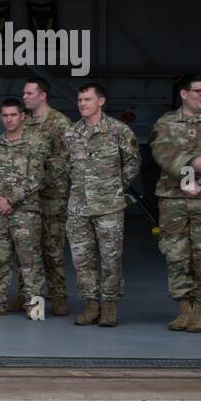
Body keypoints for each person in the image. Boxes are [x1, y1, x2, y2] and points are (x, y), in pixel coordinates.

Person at [149, 75, 201, 333]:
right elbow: (162, 152)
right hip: (173, 200)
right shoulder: (166, 123)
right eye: (198, 91)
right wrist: (194, 165)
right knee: (175, 254)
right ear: (184, 94)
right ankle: (184, 308)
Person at [65, 82, 141, 328]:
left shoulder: (119, 130)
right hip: (78, 207)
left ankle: (109, 306)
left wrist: (116, 187)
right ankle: (91, 305)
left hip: (108, 207)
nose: (82, 104)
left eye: (87, 99)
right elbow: (65, 166)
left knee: (110, 259)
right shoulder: (70, 133)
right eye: (80, 100)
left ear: (101, 101)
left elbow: (132, 162)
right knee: (81, 259)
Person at [0, 98, 50, 318]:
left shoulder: (34, 143)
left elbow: (36, 177)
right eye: (5, 116)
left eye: (13, 115)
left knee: (30, 261)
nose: (9, 119)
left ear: (22, 116)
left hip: (26, 212)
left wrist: (10, 200)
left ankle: (34, 306)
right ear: (1, 117)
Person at [22, 77, 71, 315]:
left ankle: (58, 296)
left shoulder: (59, 122)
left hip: (52, 197)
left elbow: (64, 160)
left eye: (29, 93)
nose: (25, 97)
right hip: (27, 199)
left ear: (42, 96)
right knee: (26, 249)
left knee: (53, 248)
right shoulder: (24, 122)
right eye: (24, 93)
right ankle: (27, 297)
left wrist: (37, 178)